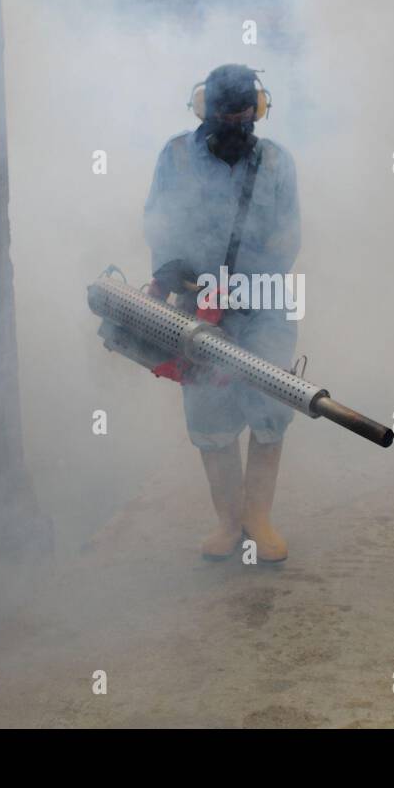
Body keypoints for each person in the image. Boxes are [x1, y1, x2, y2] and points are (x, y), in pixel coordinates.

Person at [142, 63, 300, 562]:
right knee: (211, 413)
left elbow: (287, 234)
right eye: (225, 120)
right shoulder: (176, 158)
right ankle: (229, 523)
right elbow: (159, 218)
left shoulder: (276, 162)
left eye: (243, 120)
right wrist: (171, 269)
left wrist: (248, 286)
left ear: (255, 114)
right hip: (196, 307)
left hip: (264, 303)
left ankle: (259, 520)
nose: (235, 130)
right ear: (205, 113)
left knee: (270, 405)